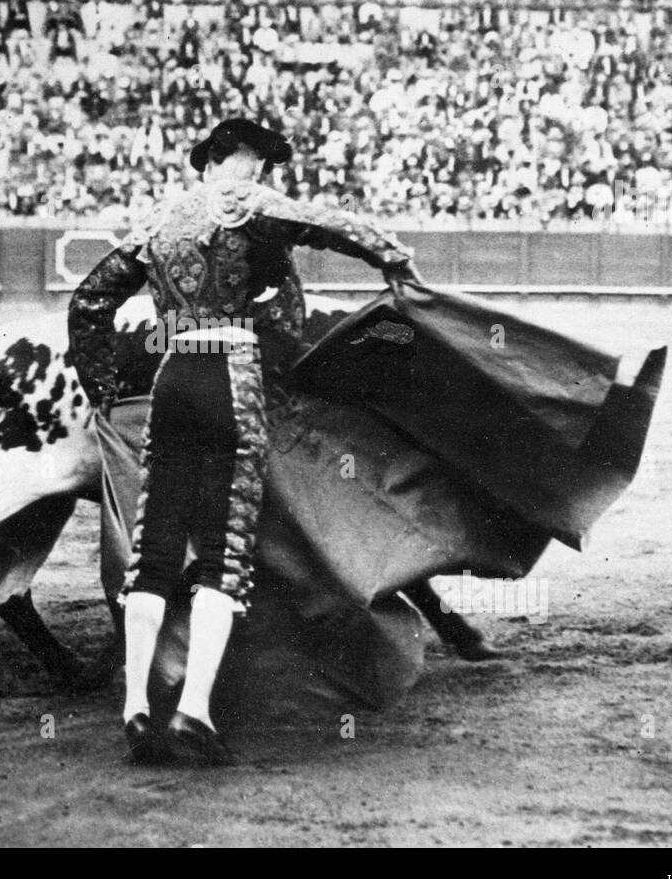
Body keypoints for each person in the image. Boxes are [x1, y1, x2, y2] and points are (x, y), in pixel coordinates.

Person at [66, 118, 417, 766]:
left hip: (173, 377)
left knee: (155, 548)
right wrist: (391, 255)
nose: (259, 177)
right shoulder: (244, 202)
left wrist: (105, 385)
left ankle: (137, 708)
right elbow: (326, 225)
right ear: (228, 159)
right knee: (225, 552)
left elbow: (88, 301)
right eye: (256, 164)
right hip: (230, 375)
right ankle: (194, 711)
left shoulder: (157, 220)